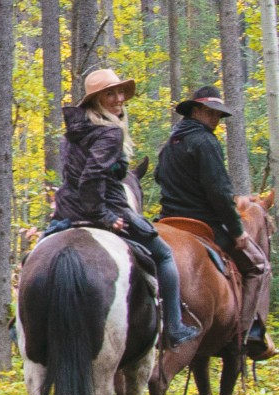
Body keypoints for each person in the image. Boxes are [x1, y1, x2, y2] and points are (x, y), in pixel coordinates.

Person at [55, 68, 190, 349]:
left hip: (67, 212)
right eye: (109, 94)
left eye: (119, 93)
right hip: (104, 208)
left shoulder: (74, 131)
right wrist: (105, 216)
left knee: (37, 255)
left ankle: (18, 328)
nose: (118, 99)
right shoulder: (109, 133)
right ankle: (175, 327)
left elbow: (75, 175)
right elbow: (90, 178)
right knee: (164, 256)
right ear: (95, 100)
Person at [154, 86, 271, 357]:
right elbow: (218, 190)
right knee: (259, 266)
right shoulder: (205, 142)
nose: (216, 120)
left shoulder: (170, 144)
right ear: (195, 111)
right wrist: (237, 229)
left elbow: (160, 177)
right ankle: (247, 333)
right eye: (211, 113)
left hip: (169, 222)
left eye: (219, 115)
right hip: (203, 224)